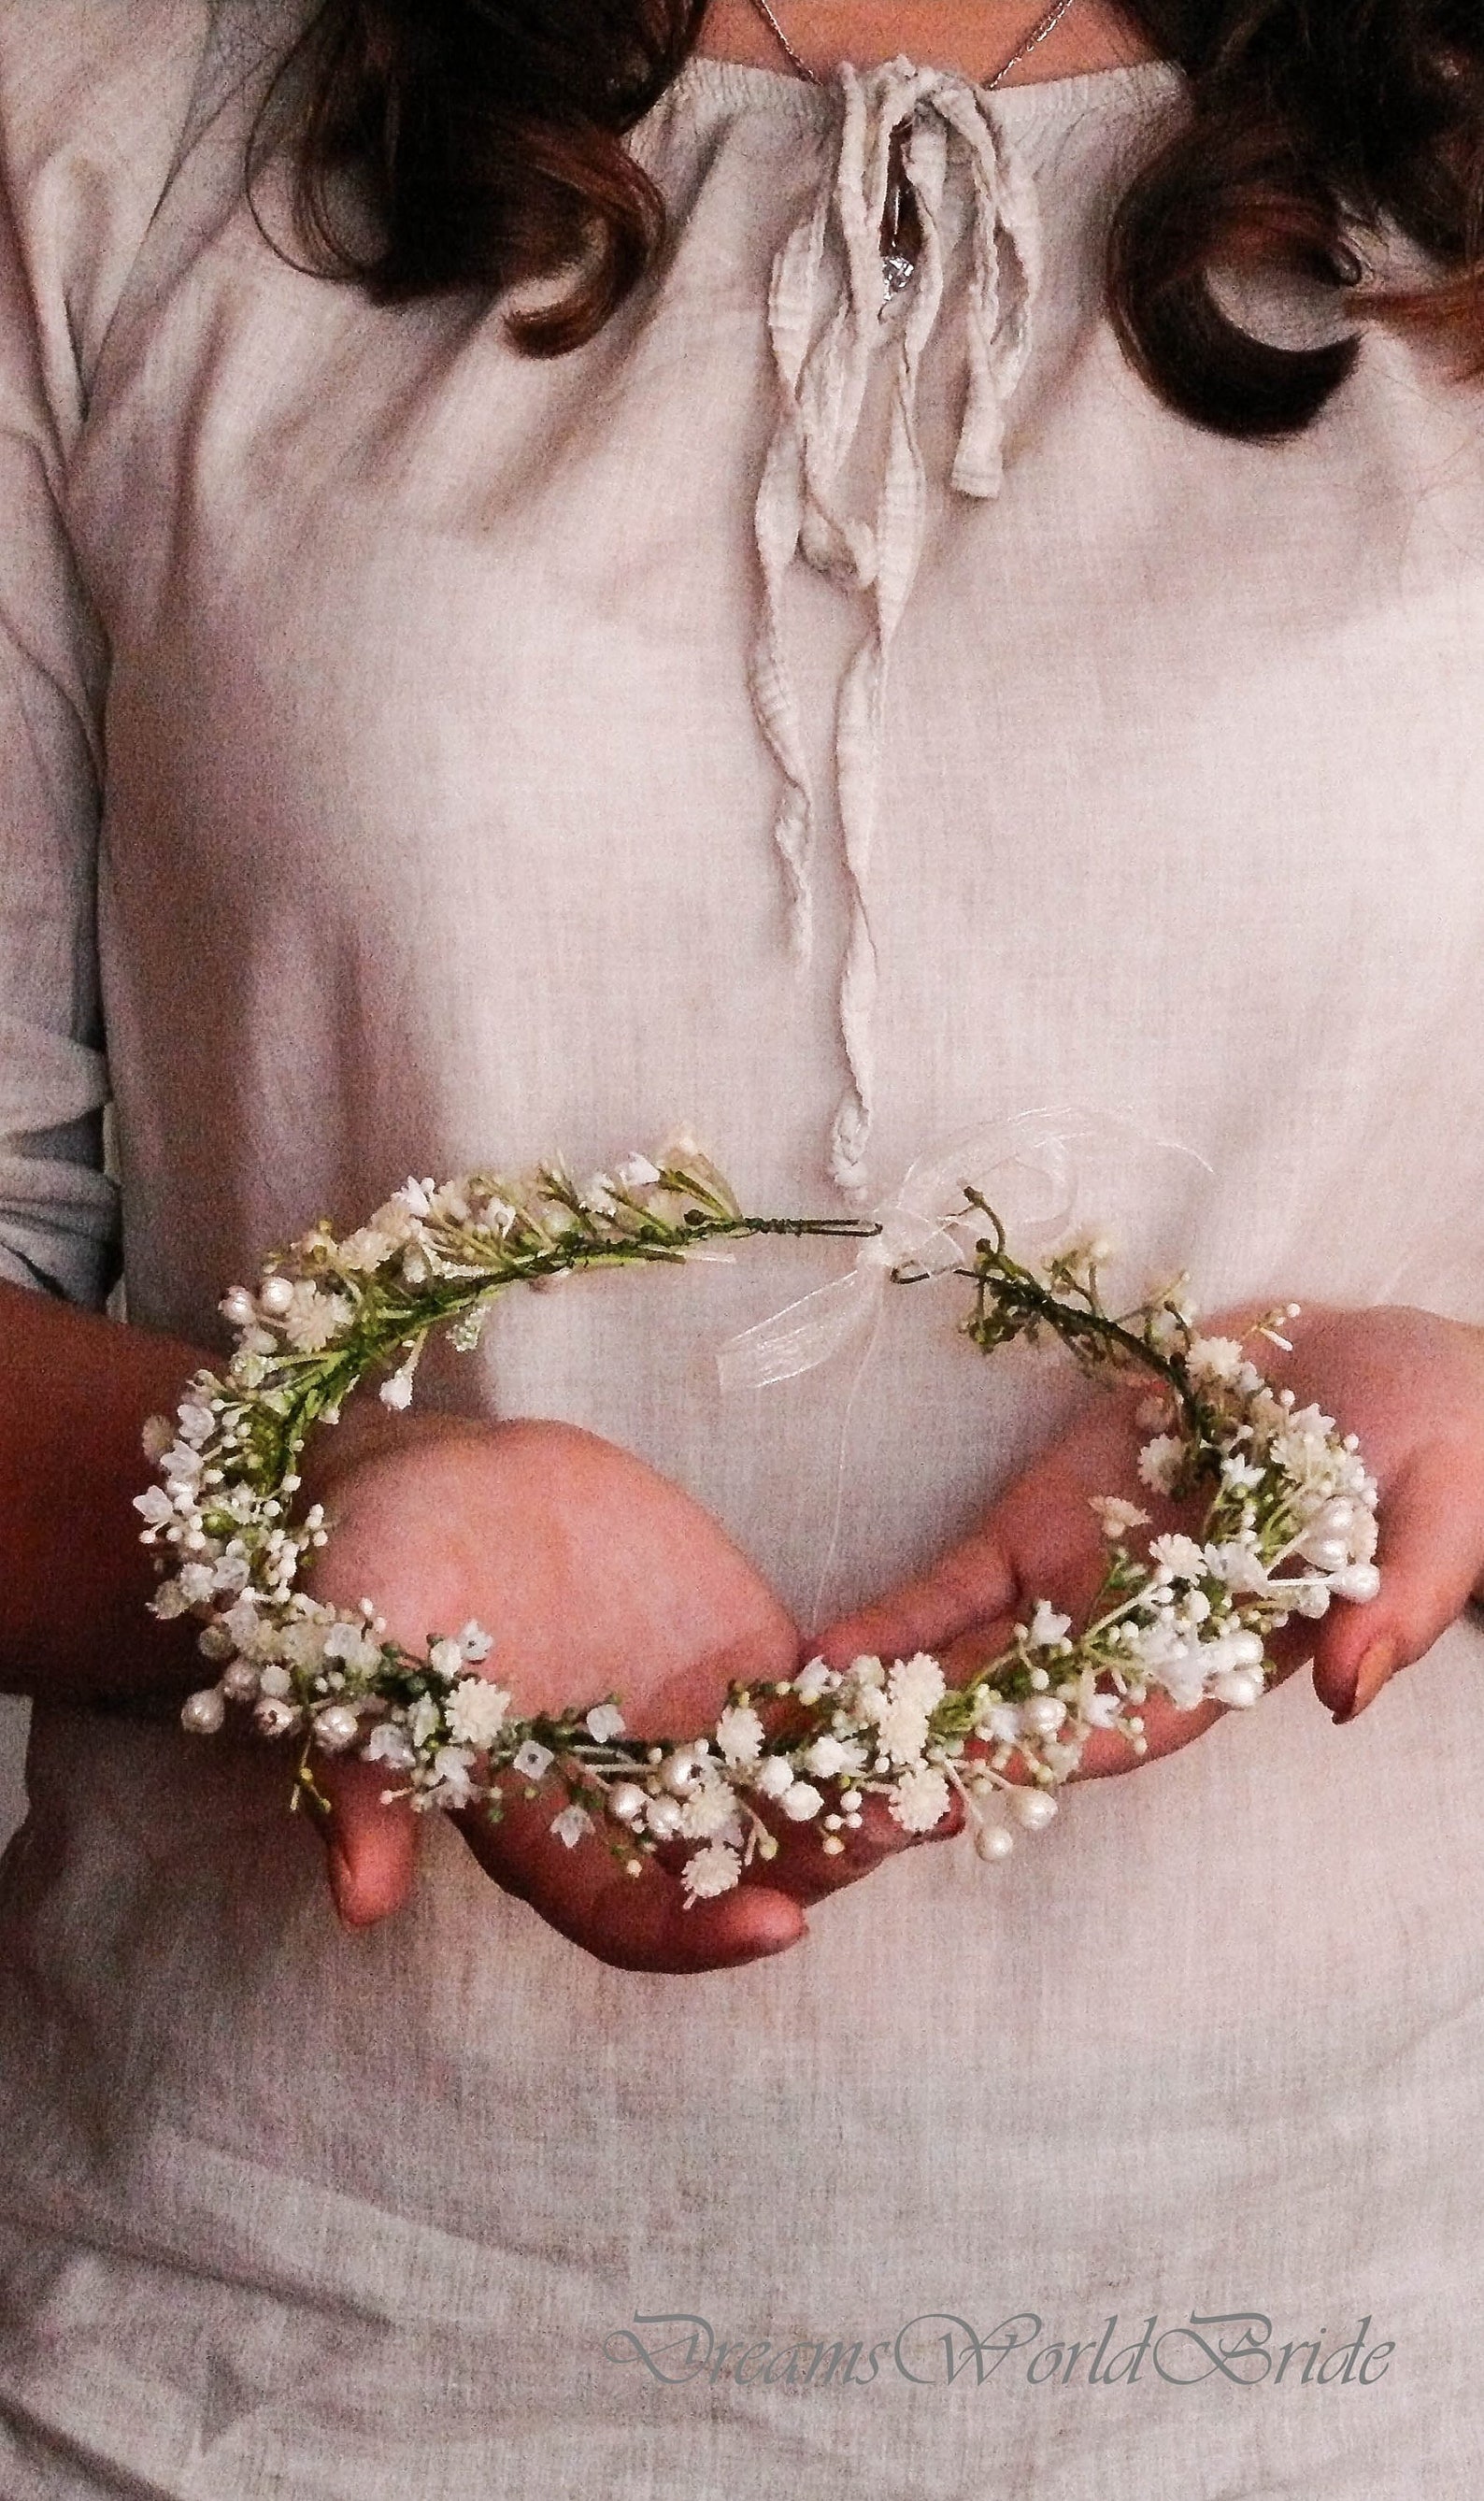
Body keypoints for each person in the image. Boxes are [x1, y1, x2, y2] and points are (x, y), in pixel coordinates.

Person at [2, 0, 1483, 2490]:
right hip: (252, 2378)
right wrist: (297, 1505)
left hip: (1348, 2367)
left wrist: (1455, 1432)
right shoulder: (124, 140)